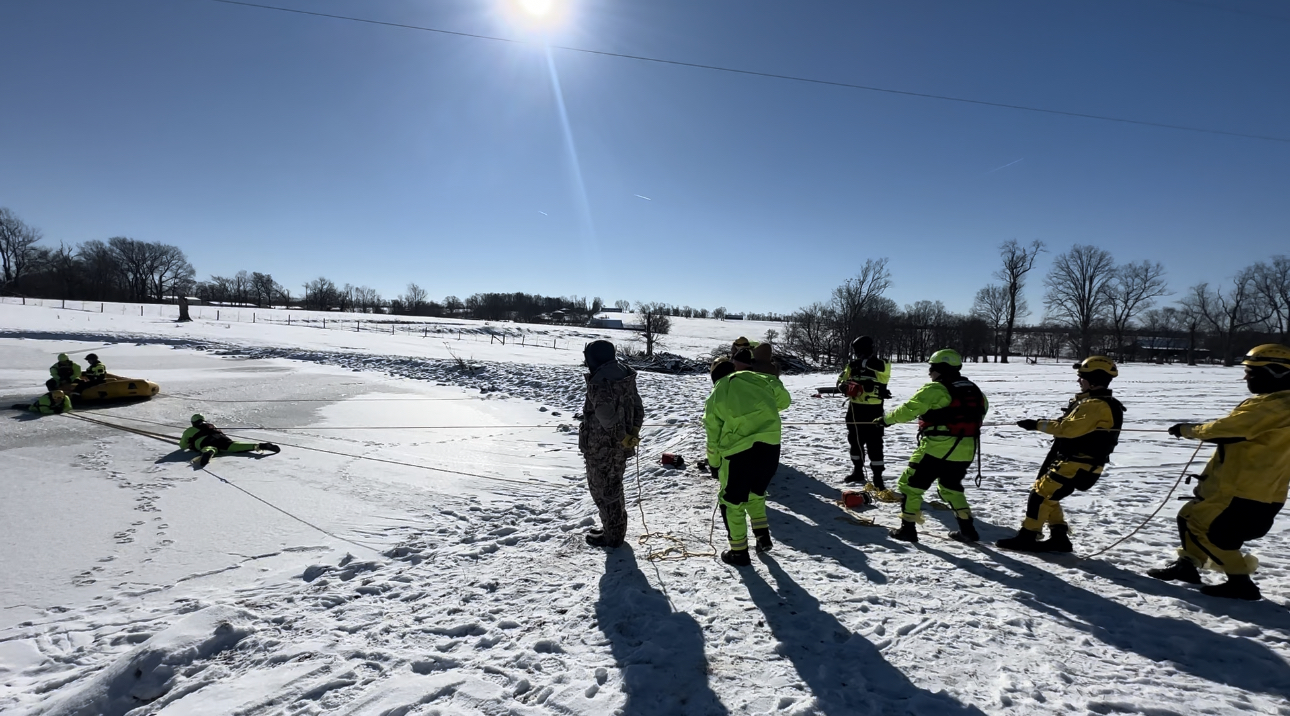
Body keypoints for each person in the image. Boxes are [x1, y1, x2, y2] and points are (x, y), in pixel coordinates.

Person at [1147, 344, 1290, 601]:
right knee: (1189, 515)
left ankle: (1240, 582)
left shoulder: (1272, 407)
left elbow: (1226, 429)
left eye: (1252, 372)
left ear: (1277, 372)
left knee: (1211, 532)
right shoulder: (1278, 404)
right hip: (1261, 491)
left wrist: (1187, 430)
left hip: (1240, 490)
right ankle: (1187, 565)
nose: (1246, 377)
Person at [997, 357, 1125, 552]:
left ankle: (1028, 536)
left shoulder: (1095, 405)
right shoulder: (1095, 402)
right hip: (1077, 462)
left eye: (1081, 377)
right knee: (1050, 497)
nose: (1078, 381)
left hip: (1077, 463)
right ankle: (1059, 537)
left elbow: (1067, 429)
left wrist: (1036, 424)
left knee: (1039, 495)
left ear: (1094, 380)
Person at [880, 348, 988, 543]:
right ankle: (967, 529)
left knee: (910, 486)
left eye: (932, 368)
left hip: (936, 449)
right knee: (950, 487)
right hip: (966, 450)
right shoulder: (974, 390)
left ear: (942, 369)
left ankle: (907, 529)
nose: (929, 372)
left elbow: (908, 410)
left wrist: (885, 420)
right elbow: (980, 413)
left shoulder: (935, 389)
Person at [704, 357, 792, 566]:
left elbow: (713, 436)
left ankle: (739, 552)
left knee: (731, 501)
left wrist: (714, 464)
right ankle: (763, 537)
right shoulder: (761, 379)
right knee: (756, 493)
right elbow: (784, 401)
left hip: (739, 452)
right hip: (770, 447)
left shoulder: (718, 392)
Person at [578, 340, 645, 548]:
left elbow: (605, 415)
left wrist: (621, 435)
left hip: (602, 447)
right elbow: (638, 406)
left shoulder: (600, 381)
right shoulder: (625, 374)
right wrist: (632, 432)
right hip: (620, 446)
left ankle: (613, 536)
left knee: (603, 490)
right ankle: (614, 529)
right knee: (614, 487)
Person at [836, 335, 892, 490]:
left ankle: (877, 477)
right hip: (854, 409)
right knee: (855, 441)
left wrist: (862, 362)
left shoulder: (882, 363)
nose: (857, 354)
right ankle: (858, 470)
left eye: (859, 351)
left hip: (873, 410)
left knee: (875, 444)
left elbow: (879, 367)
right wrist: (843, 386)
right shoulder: (852, 365)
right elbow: (840, 380)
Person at [181, 414, 280, 468]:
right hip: (221, 438)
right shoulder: (211, 426)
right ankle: (258, 446)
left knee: (210, 447)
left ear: (193, 423)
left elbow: (182, 445)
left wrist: (190, 445)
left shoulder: (189, 430)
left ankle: (208, 452)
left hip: (206, 441)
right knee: (233, 445)